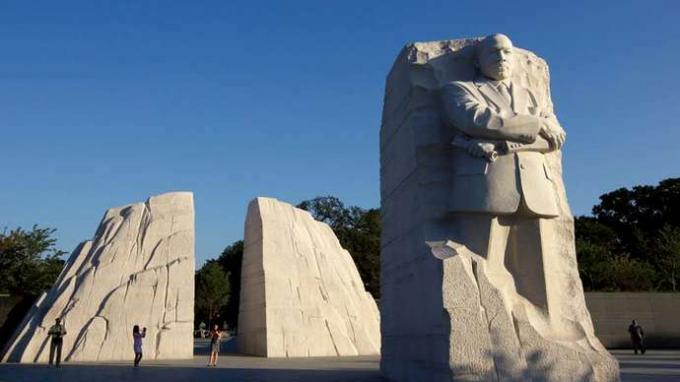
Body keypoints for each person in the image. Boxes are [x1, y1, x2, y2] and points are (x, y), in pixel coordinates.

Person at [441, 34, 567, 313]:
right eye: (494, 53)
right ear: (478, 60)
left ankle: (544, 332)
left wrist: (503, 142)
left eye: (507, 53)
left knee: (540, 277)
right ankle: (490, 329)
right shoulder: (459, 89)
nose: (502, 58)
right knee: (484, 267)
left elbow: (555, 138)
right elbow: (479, 120)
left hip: (535, 188)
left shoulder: (533, 95)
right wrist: (536, 125)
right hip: (486, 187)